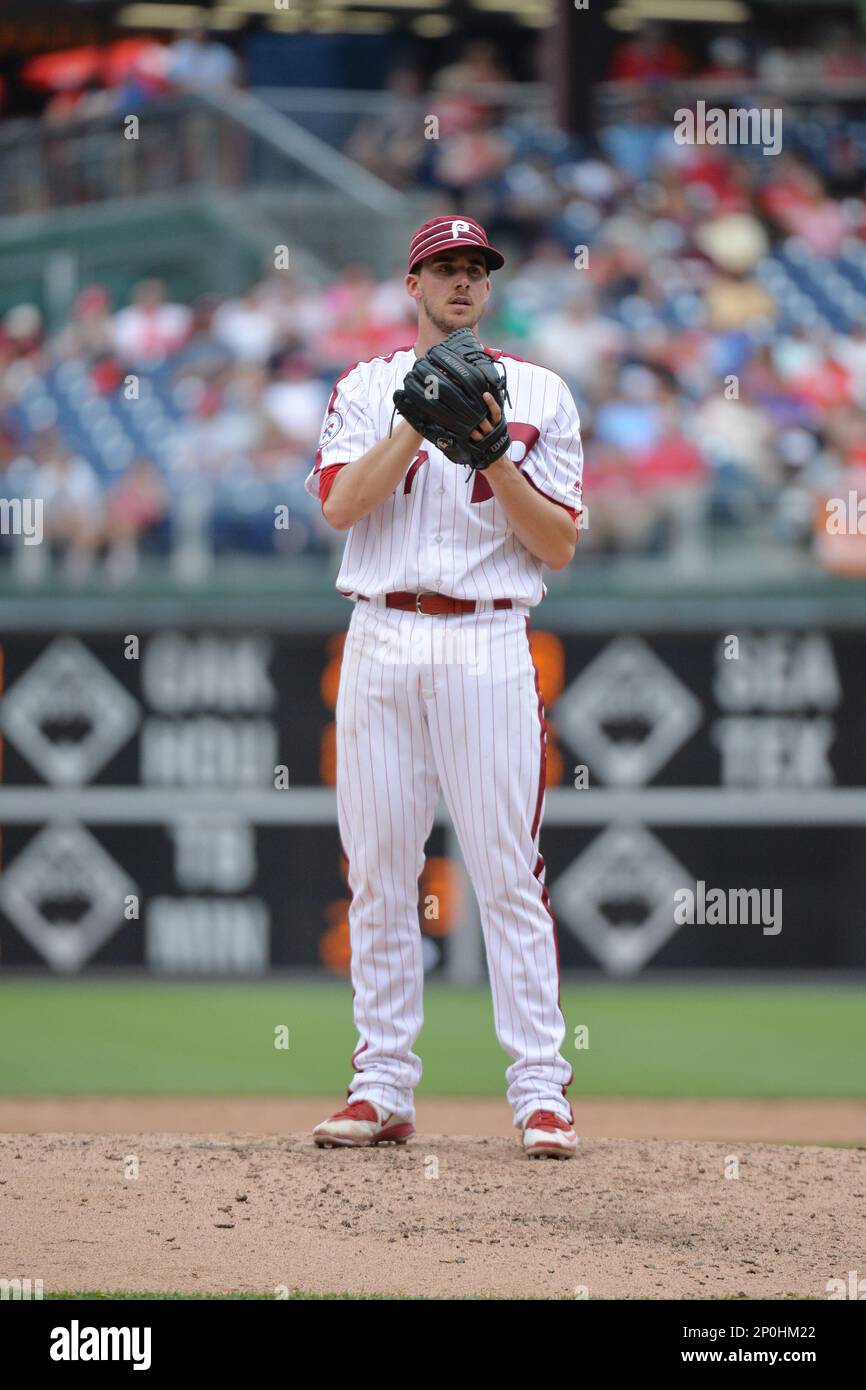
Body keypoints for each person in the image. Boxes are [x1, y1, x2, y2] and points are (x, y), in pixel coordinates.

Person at [305, 215, 584, 1159]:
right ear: (412, 284)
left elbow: (558, 546)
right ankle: (381, 1085)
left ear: (488, 289)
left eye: (475, 270)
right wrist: (413, 425)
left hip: (488, 637)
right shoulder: (365, 384)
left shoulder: (542, 392)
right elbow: (341, 506)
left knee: (508, 872)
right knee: (380, 870)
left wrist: (493, 450)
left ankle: (541, 1094)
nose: (462, 282)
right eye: (445, 268)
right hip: (379, 633)